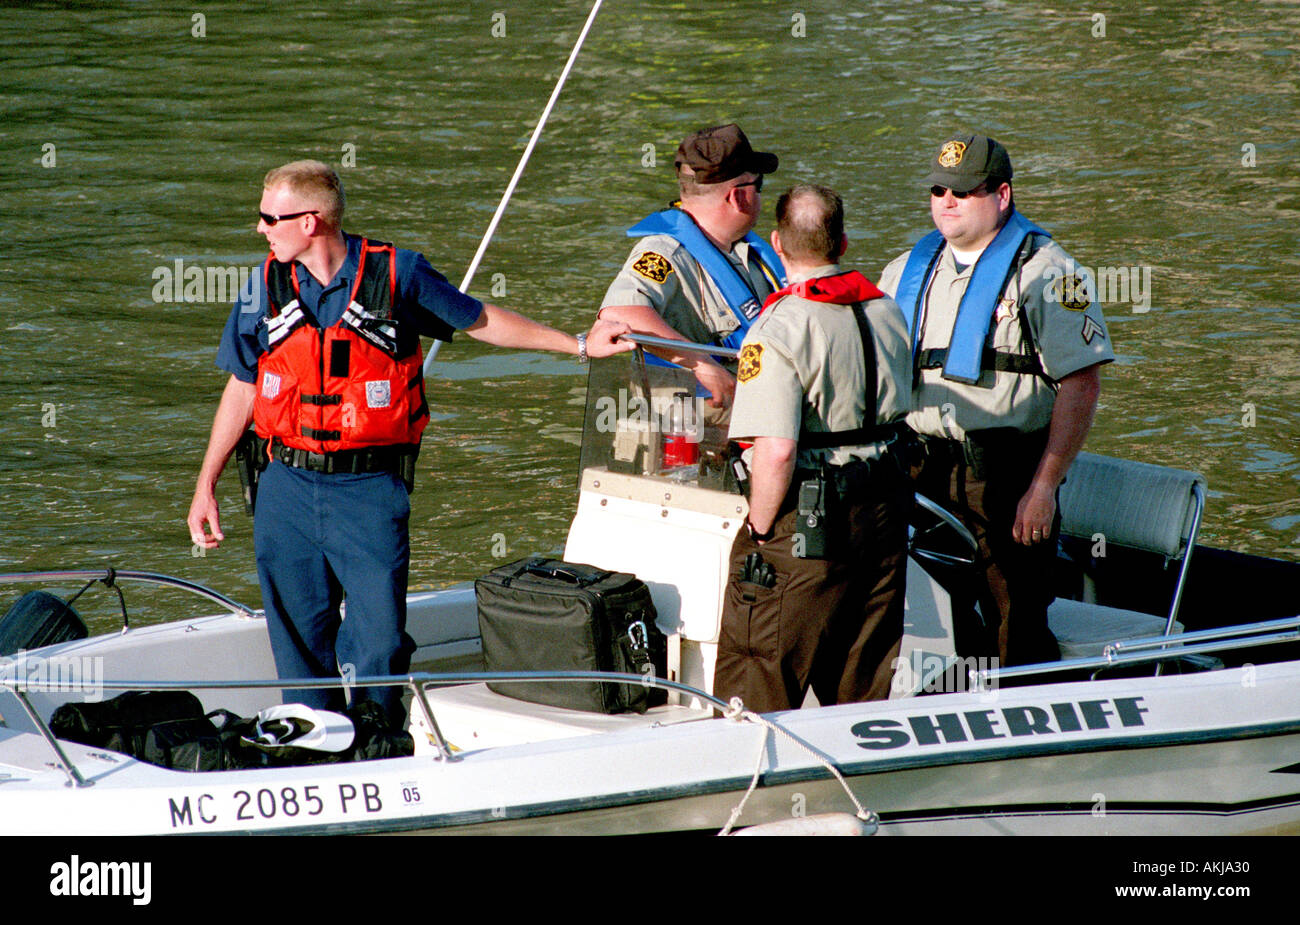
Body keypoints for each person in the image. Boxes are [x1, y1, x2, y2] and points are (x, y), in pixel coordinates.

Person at [187, 160, 630, 724]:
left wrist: (580, 346)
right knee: (297, 640)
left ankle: (378, 738)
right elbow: (242, 385)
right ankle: (309, 742)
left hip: (368, 489)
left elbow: (481, 320)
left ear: (312, 221)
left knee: (377, 640)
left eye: (270, 217)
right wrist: (206, 485)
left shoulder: (400, 275)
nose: (260, 228)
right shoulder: (263, 285)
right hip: (284, 489)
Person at [877, 134, 1114, 667]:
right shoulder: (904, 270)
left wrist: (1044, 487)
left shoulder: (1050, 274)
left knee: (1012, 617)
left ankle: (1033, 727)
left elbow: (1081, 385)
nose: (947, 201)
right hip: (918, 468)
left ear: (1002, 195)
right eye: (938, 189)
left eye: (964, 190)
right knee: (926, 615)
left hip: (1006, 476)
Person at [713, 184, 913, 713]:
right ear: (843, 241)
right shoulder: (888, 312)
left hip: (810, 519)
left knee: (758, 674)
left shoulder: (778, 328)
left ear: (777, 243)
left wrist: (758, 532)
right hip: (884, 510)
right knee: (863, 679)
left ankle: (743, 786)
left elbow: (776, 450)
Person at [599, 123, 785, 409]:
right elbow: (620, 313)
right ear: (737, 197)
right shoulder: (664, 252)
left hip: (759, 417)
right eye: (758, 186)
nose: (761, 196)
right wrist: (704, 366)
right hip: (694, 434)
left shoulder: (749, 251)